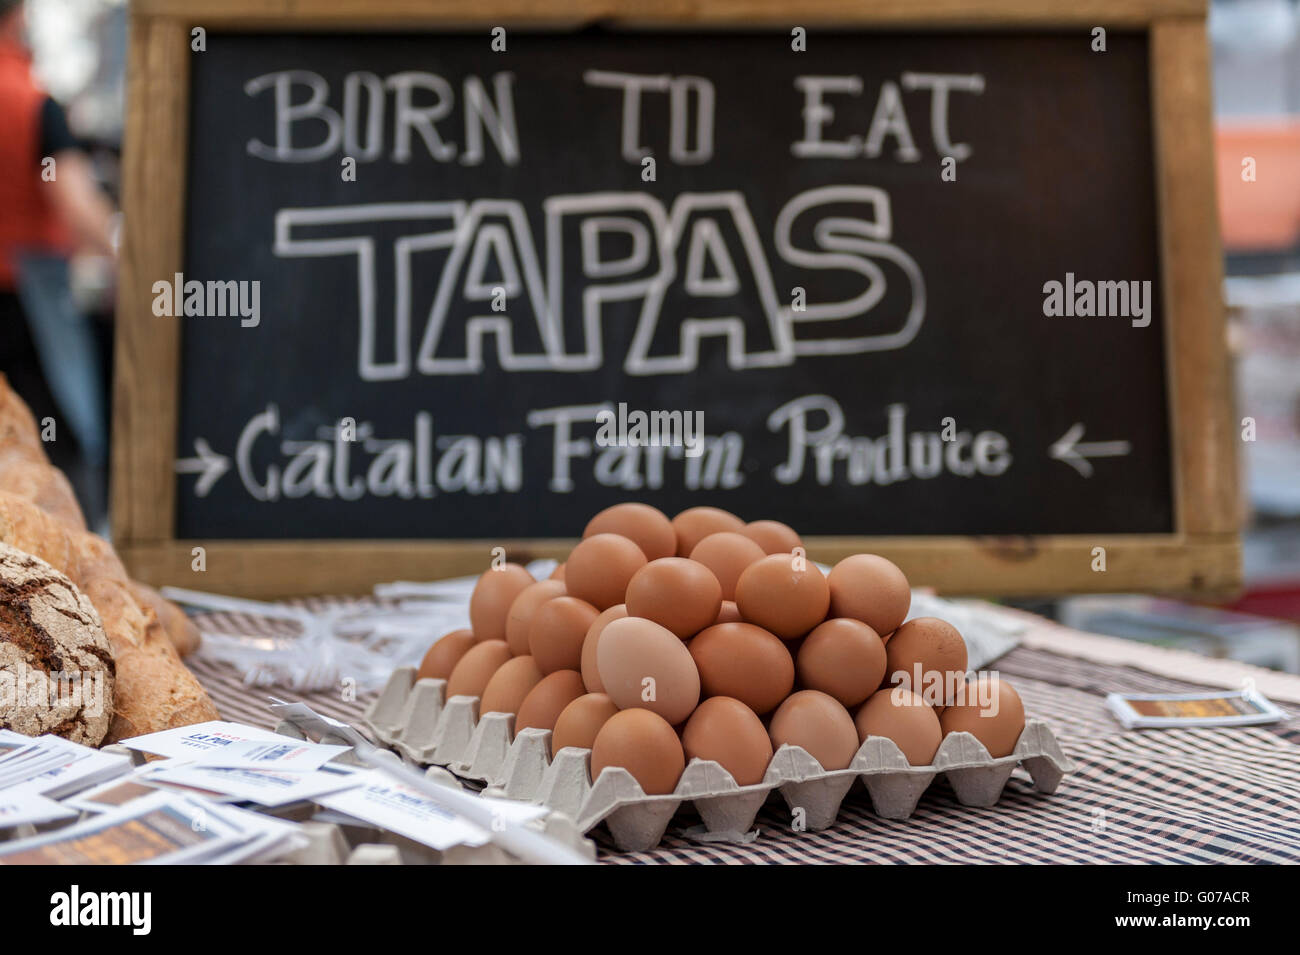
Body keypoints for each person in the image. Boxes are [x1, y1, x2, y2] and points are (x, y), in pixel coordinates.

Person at [0, 0, 118, 527]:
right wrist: (127, 263)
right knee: (59, 442)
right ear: (18, 17)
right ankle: (74, 574)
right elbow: (74, 202)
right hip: (25, 296)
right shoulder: (29, 100)